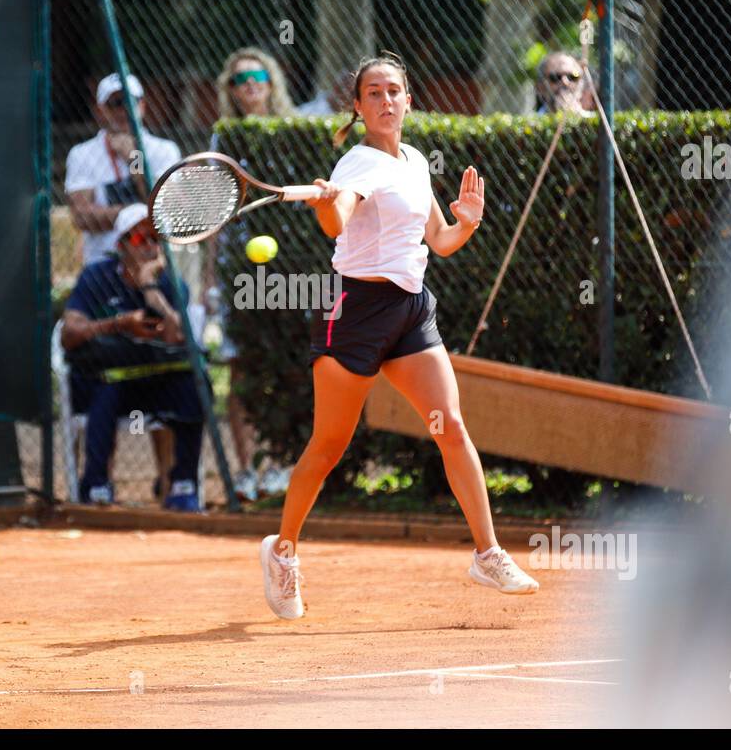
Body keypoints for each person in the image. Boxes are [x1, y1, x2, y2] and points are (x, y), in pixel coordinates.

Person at [259, 52, 541, 620]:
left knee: (451, 425)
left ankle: (487, 553)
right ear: (359, 107)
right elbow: (338, 223)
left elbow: (438, 241)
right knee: (330, 445)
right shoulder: (356, 165)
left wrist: (467, 222)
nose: (387, 101)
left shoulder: (413, 159)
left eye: (395, 91)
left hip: (410, 311)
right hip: (354, 312)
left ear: (409, 100)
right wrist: (328, 201)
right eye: (374, 93)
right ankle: (283, 552)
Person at [60, 204, 206, 513]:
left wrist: (151, 290)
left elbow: (179, 338)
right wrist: (120, 323)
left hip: (151, 383)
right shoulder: (95, 276)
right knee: (107, 387)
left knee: (194, 384)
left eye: (157, 239)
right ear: (121, 245)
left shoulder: (169, 283)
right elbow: (69, 334)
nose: (151, 247)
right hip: (101, 380)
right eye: (141, 240)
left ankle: (182, 484)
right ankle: (96, 486)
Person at [206, 48, 296, 503]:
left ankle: (279, 465)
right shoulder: (224, 141)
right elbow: (215, 220)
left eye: (258, 75)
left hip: (287, 270)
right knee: (240, 371)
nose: (249, 84)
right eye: (239, 78)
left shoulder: (293, 135)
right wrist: (209, 282)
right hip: (237, 271)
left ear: (272, 82)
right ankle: (245, 472)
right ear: (230, 89)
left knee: (280, 366)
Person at [65, 73, 183, 267]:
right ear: (99, 110)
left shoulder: (164, 150)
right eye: (116, 103)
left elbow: (166, 208)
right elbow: (82, 217)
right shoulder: (81, 153)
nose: (124, 109)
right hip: (103, 263)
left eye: (131, 100)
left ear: (142, 105)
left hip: (156, 262)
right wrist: (137, 213)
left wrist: (134, 159)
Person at [534, 51, 596, 117]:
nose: (565, 82)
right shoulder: (531, 125)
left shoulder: (597, 122)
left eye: (573, 77)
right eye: (556, 77)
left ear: (582, 83)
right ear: (541, 87)